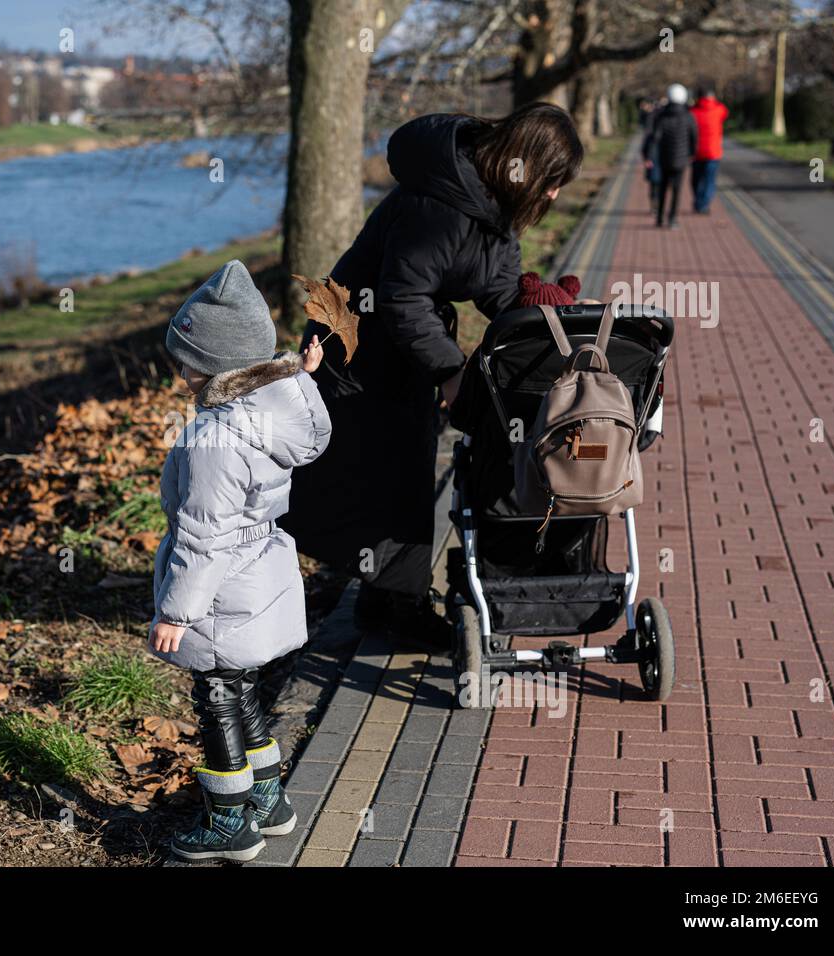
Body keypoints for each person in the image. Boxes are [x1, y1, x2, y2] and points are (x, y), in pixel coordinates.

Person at [281, 103, 583, 638]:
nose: (554, 195)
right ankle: (395, 609)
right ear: (529, 166)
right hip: (357, 346)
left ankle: (386, 602)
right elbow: (402, 299)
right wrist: (451, 371)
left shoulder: (494, 206)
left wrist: (545, 317)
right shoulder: (438, 205)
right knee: (387, 477)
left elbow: (495, 284)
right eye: (554, 182)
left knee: (404, 473)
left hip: (401, 348)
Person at [148, 259, 331, 863]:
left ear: (215, 366)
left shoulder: (212, 441)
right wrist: (300, 374)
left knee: (217, 697)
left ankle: (230, 823)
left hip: (223, 589)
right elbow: (291, 392)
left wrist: (176, 612)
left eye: (186, 362)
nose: (179, 374)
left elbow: (203, 538)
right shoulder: (271, 407)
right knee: (242, 685)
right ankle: (270, 801)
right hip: (261, 568)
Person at [643, 83, 697, 228]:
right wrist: (692, 153)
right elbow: (694, 137)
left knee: (662, 188)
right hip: (681, 160)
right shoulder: (688, 117)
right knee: (677, 190)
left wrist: (649, 156)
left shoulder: (662, 117)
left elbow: (655, 138)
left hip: (664, 158)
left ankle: (660, 218)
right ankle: (672, 219)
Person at [690, 86, 729, 214]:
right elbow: (725, 113)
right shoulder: (719, 110)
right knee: (709, 180)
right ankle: (704, 204)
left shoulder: (693, 112)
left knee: (696, 179)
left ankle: (698, 200)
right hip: (713, 152)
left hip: (697, 151)